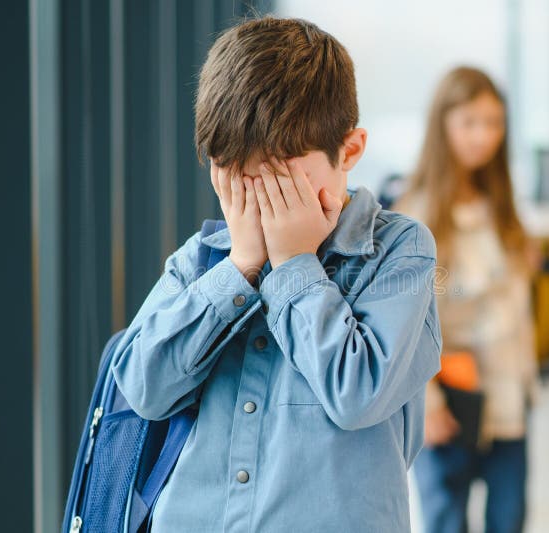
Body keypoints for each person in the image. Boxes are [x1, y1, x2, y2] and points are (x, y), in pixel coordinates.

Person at [110, 16, 443, 533]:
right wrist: (239, 269)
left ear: (349, 151)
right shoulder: (205, 256)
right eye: (242, 177)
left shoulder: (399, 251)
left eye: (281, 177)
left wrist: (293, 265)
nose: (262, 200)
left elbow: (359, 395)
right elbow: (142, 390)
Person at [393, 67, 539, 533]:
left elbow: (515, 309)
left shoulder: (502, 206)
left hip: (508, 391)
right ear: (444, 126)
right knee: (446, 520)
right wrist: (427, 402)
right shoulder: (415, 215)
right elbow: (406, 321)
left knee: (508, 517)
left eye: (493, 123)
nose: (483, 137)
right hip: (451, 399)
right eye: (469, 122)